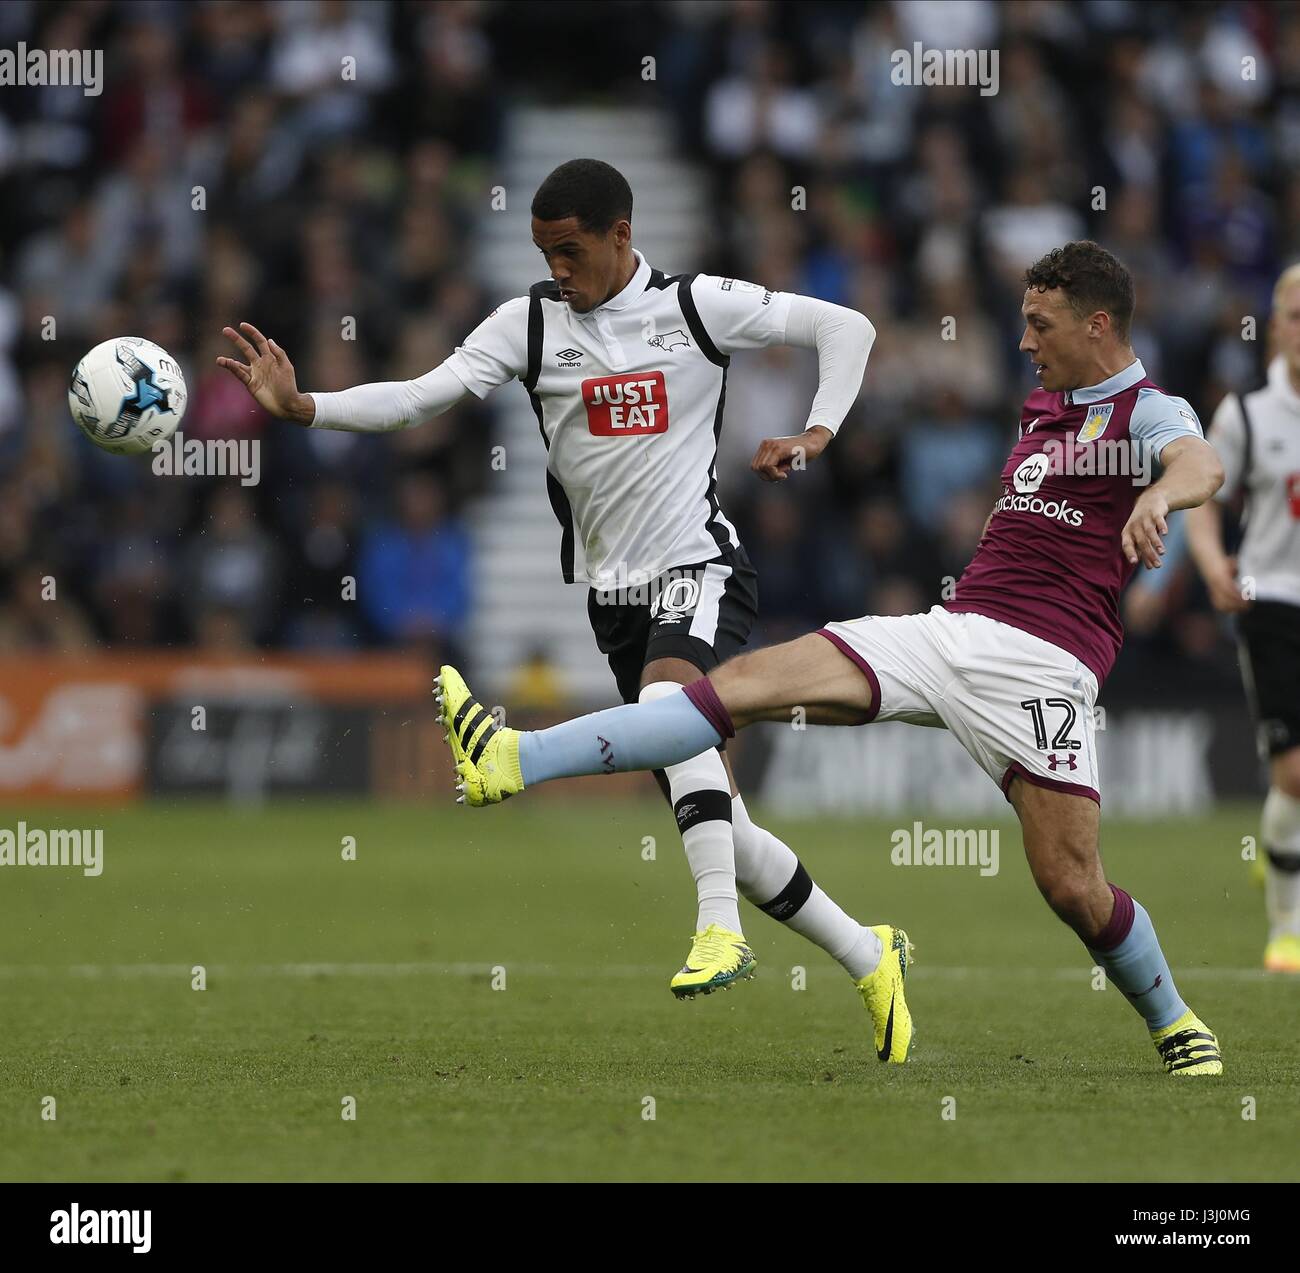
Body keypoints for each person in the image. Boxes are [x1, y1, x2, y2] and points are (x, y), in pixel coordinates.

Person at [438, 241, 1230, 1076]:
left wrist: (1157, 494)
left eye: (1041, 325)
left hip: (1043, 670)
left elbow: (1200, 463)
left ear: (1098, 324)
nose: (1025, 343)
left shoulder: (1143, 409)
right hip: (946, 634)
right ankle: (511, 756)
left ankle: (1175, 1020)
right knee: (729, 690)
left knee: (1072, 885)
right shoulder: (1043, 406)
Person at [217, 158, 895, 1017]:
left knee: (672, 710)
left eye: (570, 252)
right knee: (722, 817)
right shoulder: (527, 324)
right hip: (614, 601)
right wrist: (307, 406)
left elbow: (851, 329)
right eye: (545, 254)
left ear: (622, 235)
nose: (557, 272)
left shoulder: (695, 307)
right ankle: (872, 953)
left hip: (702, 565)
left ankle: (718, 927)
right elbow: (422, 398)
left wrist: (817, 432)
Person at [1187, 263, 1300, 974]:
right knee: (1292, 775)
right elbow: (1200, 493)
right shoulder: (1248, 415)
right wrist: (1211, 563)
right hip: (1273, 603)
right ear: (1277, 325)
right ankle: (1287, 926)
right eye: (1294, 313)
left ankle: (1281, 848)